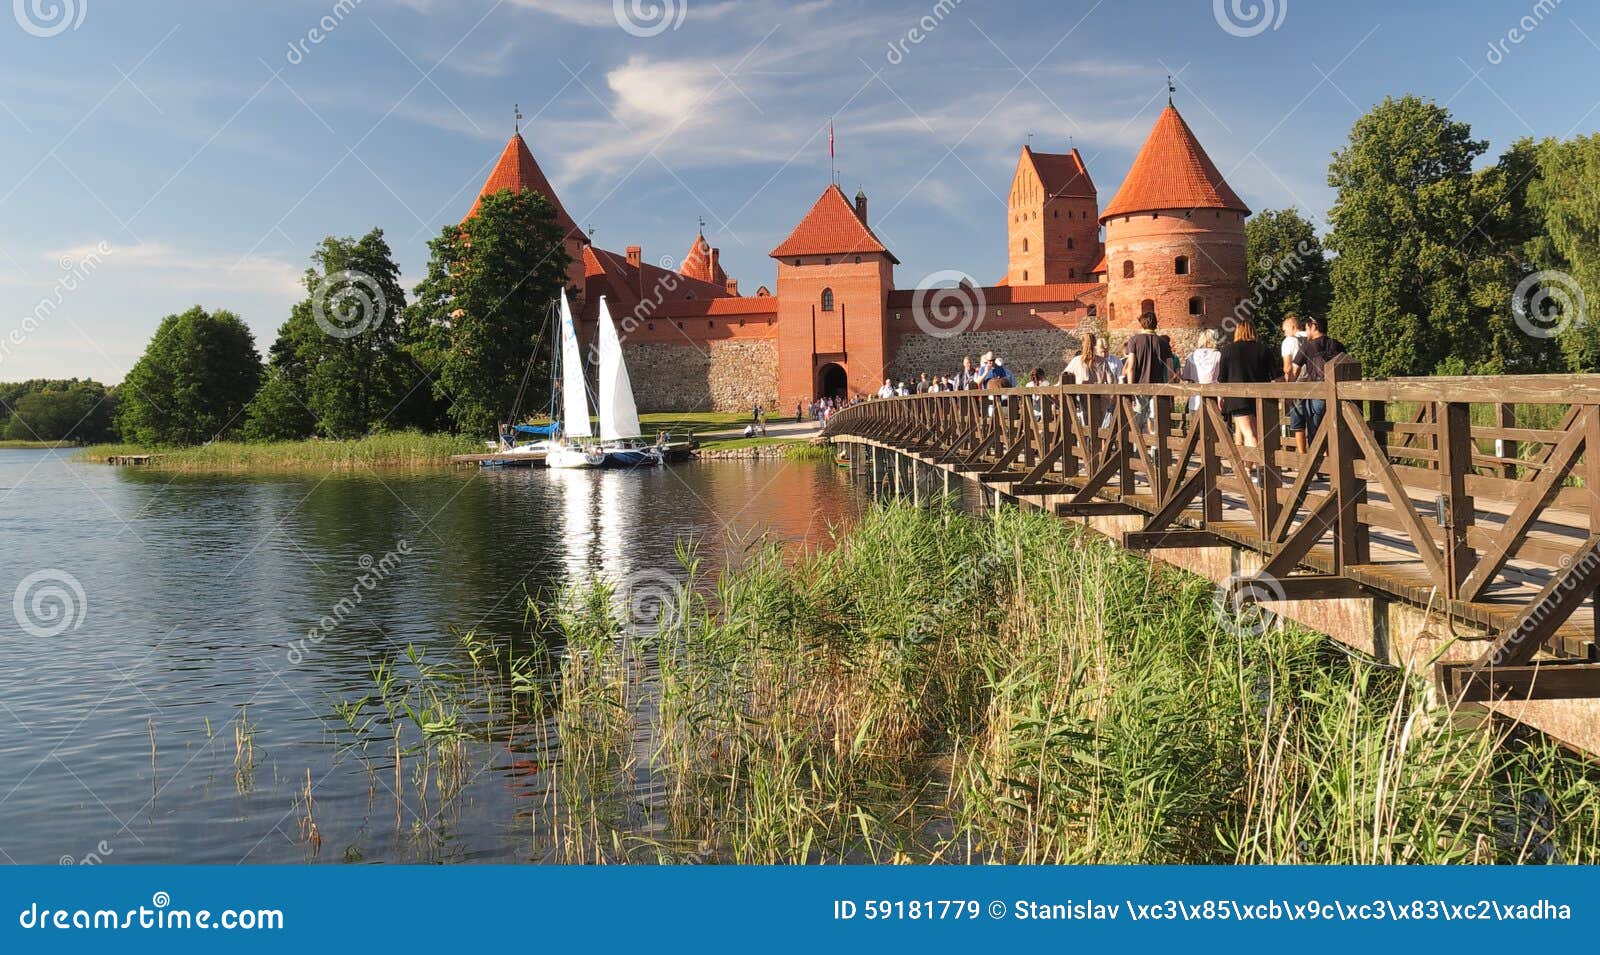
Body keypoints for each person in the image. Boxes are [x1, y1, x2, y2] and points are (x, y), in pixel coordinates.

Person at [1217, 319, 1276, 470]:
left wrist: (1221, 396)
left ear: (1237, 331)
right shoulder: (1263, 349)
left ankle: (1261, 470)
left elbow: (1222, 378)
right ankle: (1248, 468)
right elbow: (1276, 375)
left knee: (1249, 434)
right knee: (1255, 433)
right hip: (1262, 398)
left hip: (1238, 399)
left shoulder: (1227, 350)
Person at [1290, 315, 1347, 438]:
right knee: (1335, 432)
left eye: (1307, 328)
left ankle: (1320, 456)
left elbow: (1294, 370)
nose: (1306, 332)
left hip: (1318, 394)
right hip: (1339, 395)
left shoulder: (1307, 346)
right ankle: (1332, 456)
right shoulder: (1337, 344)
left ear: (1314, 327)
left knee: (1316, 434)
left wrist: (1290, 390)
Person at [1122, 312, 1172, 434]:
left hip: (1139, 386)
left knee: (1137, 420)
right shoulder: (1163, 342)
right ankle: (1155, 449)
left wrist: (1130, 387)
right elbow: (1170, 368)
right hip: (1158, 387)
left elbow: (1131, 366)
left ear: (1141, 323)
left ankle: (1137, 449)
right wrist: (1170, 388)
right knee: (1155, 419)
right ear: (1156, 323)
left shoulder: (1134, 340)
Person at [1180, 327, 1223, 416]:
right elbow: (1222, 376)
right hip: (1214, 397)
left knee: (1197, 428)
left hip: (1195, 399)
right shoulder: (1218, 355)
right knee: (1215, 428)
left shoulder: (1192, 355)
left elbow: (1185, 376)